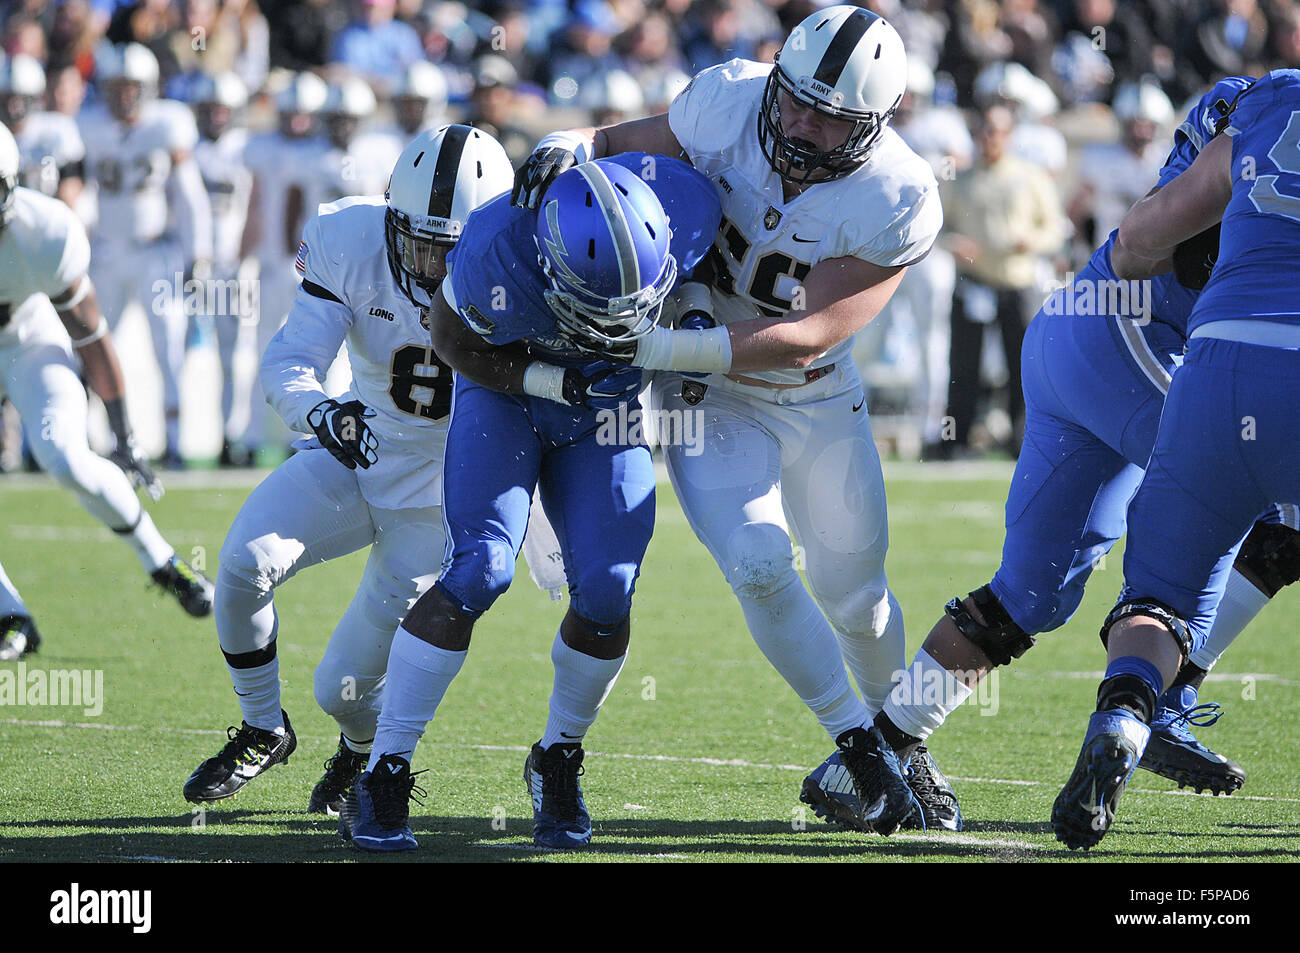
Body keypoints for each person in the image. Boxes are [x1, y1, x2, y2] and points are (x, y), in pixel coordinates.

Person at [509, 6, 950, 836]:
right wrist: (566, 142)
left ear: (876, 124)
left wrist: (666, 346)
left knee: (858, 597)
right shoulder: (729, 100)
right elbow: (612, 142)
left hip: (805, 388)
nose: (799, 123)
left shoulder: (900, 192)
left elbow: (812, 333)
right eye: (795, 99)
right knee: (755, 560)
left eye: (829, 116)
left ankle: (906, 739)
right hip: (706, 394)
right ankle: (860, 748)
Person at [841, 76, 1292, 837]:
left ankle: (875, 753)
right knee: (1255, 518)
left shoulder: (1251, 130)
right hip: (1133, 346)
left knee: (1031, 595)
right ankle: (1160, 703)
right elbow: (1156, 250)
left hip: (1071, 337)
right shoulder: (1248, 142)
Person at [339, 154, 721, 852]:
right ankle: (383, 766)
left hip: (605, 414)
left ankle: (558, 755)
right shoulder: (497, 247)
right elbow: (451, 341)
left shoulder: (686, 202)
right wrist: (550, 381)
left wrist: (691, 318)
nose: (619, 321)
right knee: (480, 568)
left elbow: (695, 266)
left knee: (608, 591)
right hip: (508, 399)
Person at [181, 125, 513, 814]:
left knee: (343, 689)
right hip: (360, 445)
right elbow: (290, 359)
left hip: (442, 495)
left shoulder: (519, 269)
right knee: (243, 562)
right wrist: (322, 414)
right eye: (415, 238)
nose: (425, 262)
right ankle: (262, 725)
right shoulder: (349, 235)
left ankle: (359, 749)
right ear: (389, 210)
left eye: (444, 247)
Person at [1052, 69, 1300, 849]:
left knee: (1158, 594)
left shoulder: (1271, 100)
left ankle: (1126, 719)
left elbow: (1139, 239)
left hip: (1218, 364)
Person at [0, 122, 212, 662]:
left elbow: (91, 337)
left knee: (65, 455)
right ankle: (12, 615)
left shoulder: (44, 230)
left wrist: (124, 435)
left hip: (26, 337)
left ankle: (163, 562)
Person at [78, 42, 213, 468]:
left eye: (131, 86)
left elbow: (190, 196)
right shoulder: (88, 125)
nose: (123, 95)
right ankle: (83, 436)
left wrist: (199, 253)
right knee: (91, 345)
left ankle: (173, 442)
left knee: (168, 349)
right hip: (106, 254)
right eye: (117, 86)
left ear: (149, 87)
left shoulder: (167, 124)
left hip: (156, 251)